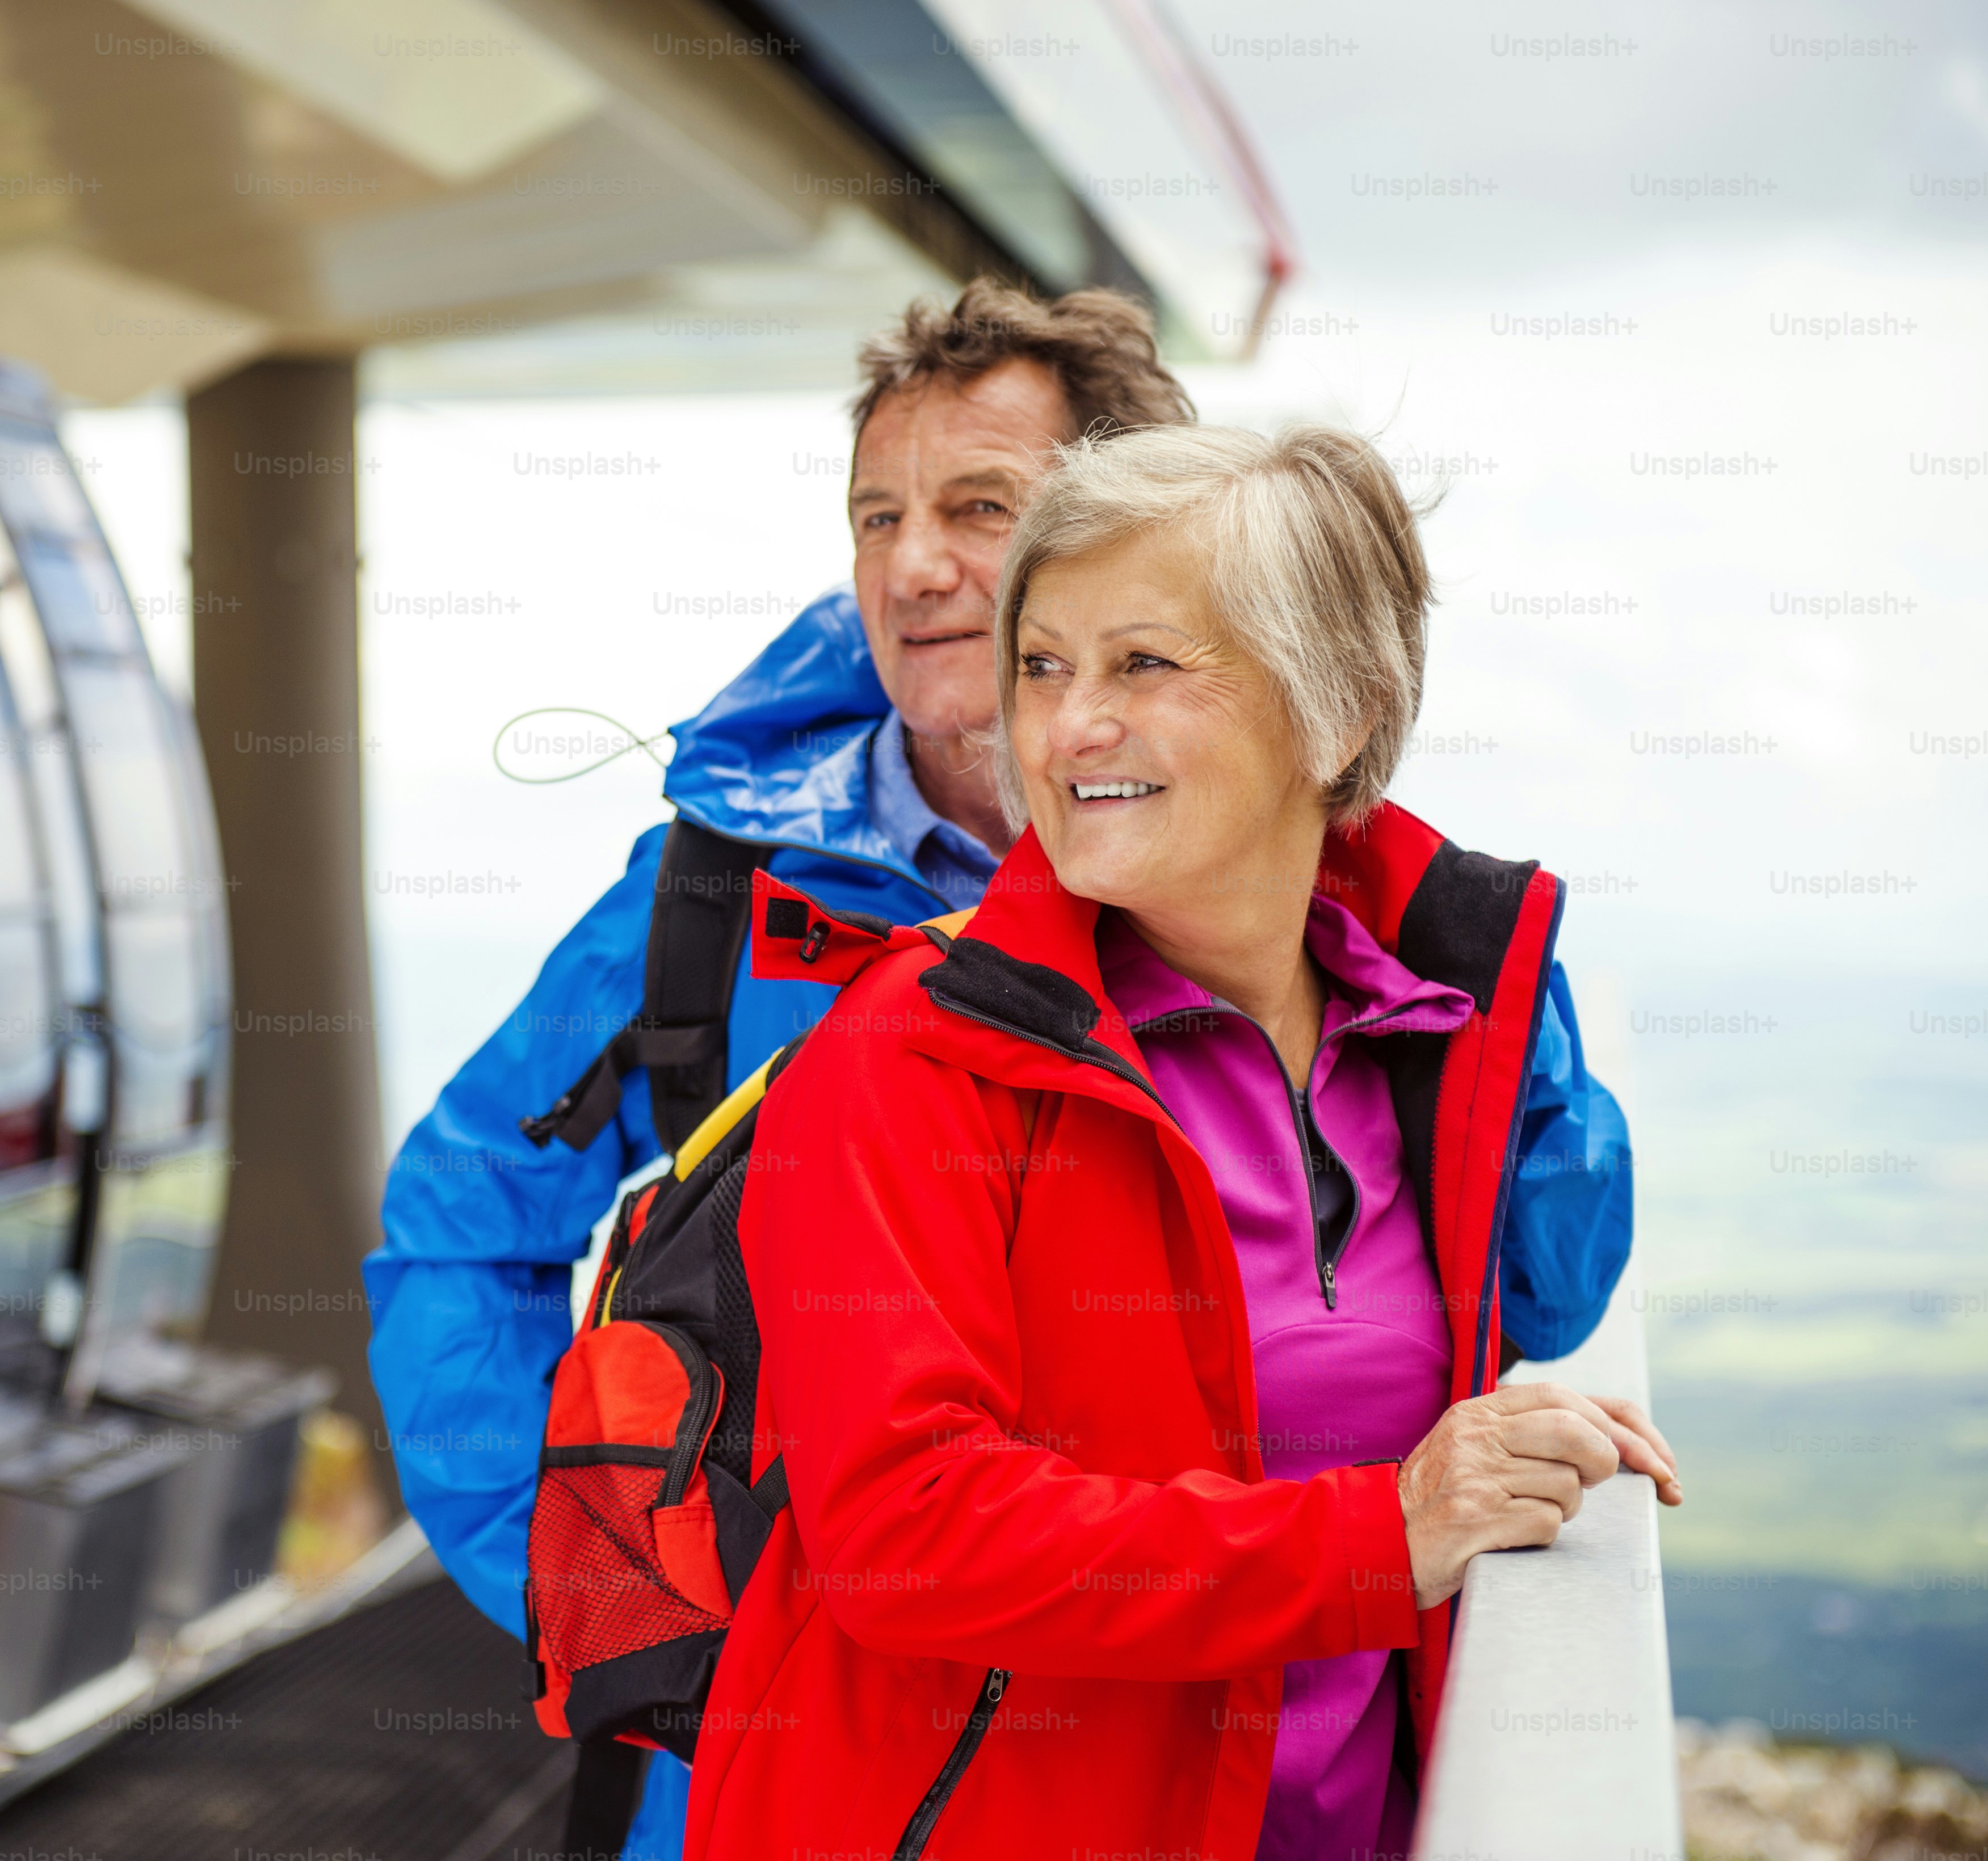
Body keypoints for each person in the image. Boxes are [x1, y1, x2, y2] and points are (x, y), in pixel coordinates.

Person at [362, 284, 1619, 1855]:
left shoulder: (1338, 949)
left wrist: (1463, 957)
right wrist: (613, 1591)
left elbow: (1531, 1287)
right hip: (794, 1760)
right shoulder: (726, 904)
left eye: (978, 508)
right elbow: (459, 1228)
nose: (911, 566)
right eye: (875, 515)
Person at [683, 426, 1670, 1860]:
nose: (1067, 726)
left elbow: (1526, 1303)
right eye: (1044, 665)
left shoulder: (1430, 1028)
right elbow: (906, 1529)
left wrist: (1514, 1451)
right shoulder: (911, 1052)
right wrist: (1381, 1536)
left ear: (1337, 712)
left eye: (1143, 664)